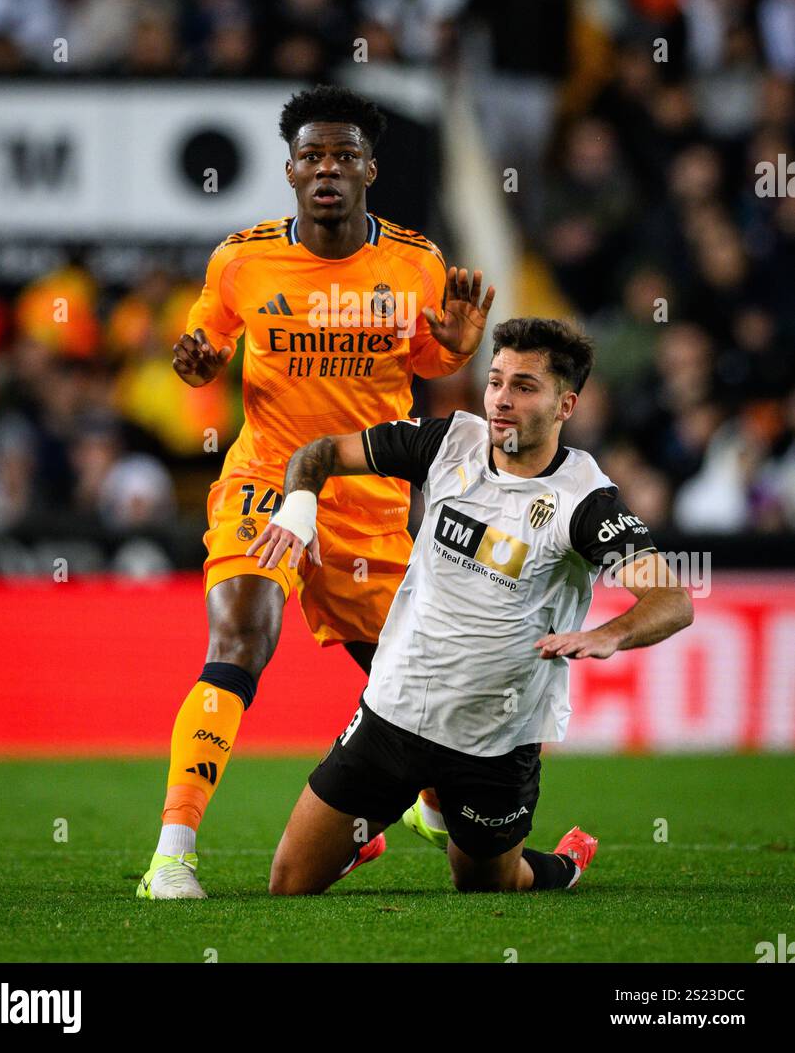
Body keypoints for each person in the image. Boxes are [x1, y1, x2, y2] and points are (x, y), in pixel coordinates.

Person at [136, 83, 494, 899]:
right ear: (291, 170)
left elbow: (428, 364)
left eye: (343, 155)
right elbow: (207, 346)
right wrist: (195, 364)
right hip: (266, 480)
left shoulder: (416, 262)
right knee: (238, 647)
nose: (326, 168)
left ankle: (423, 805)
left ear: (369, 168)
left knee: (406, 685)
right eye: (311, 156)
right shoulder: (240, 259)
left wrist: (456, 352)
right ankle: (173, 854)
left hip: (367, 499)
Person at [250, 317, 694, 896]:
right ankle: (363, 840)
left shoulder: (583, 501)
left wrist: (611, 633)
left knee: (488, 884)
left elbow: (672, 600)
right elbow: (318, 452)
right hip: (395, 713)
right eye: (495, 381)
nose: (501, 401)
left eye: (525, 387)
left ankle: (565, 863)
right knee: (288, 885)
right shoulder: (445, 444)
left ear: (566, 405)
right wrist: (300, 505)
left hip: (495, 740)